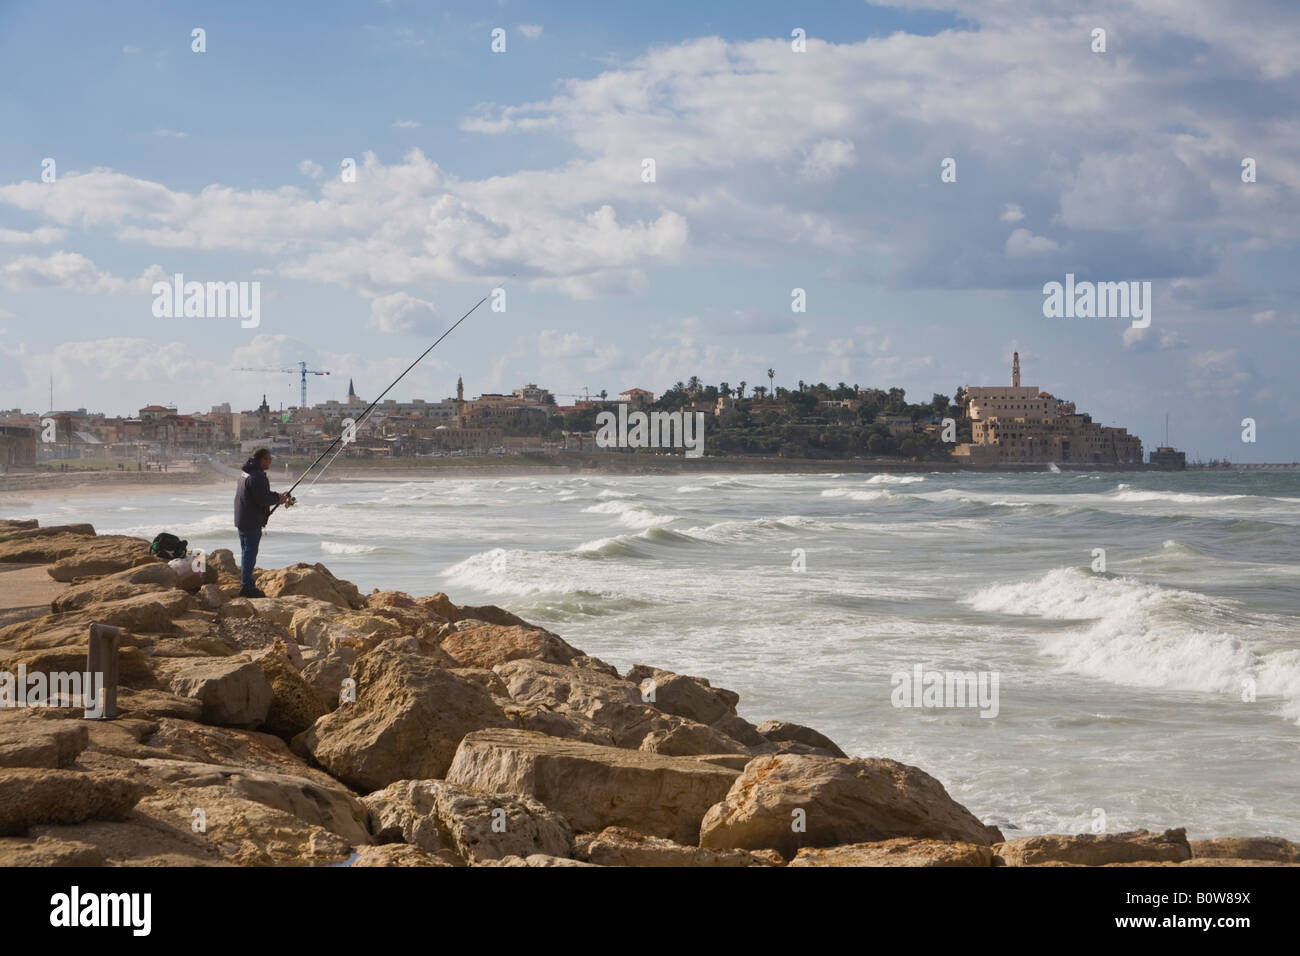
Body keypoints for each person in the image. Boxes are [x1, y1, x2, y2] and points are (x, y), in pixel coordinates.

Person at [233, 448, 289, 598]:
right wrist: (278, 499)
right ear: (262, 460)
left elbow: (257, 494)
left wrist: (277, 496)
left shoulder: (246, 473)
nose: (270, 462)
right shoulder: (257, 476)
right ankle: (247, 587)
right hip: (251, 520)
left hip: (242, 518)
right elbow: (262, 499)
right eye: (268, 459)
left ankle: (246, 583)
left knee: (246, 552)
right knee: (250, 553)